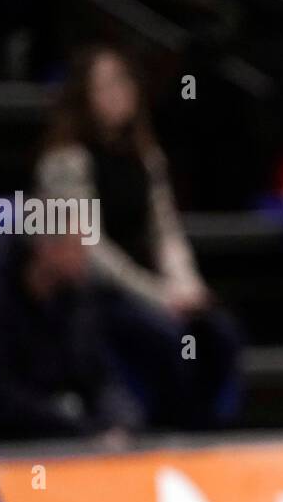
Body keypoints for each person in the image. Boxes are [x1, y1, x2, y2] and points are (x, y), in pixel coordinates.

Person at [36, 45, 242, 429]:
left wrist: (186, 286)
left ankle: (209, 434)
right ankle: (170, 434)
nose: (117, 93)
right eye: (104, 86)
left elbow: (166, 231)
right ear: (83, 97)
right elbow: (90, 249)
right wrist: (158, 295)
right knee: (167, 337)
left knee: (219, 331)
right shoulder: (64, 162)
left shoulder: (146, 156)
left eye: (122, 82)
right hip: (97, 294)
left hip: (151, 285)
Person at [0, 228, 143, 442]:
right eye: (76, 246)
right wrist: (81, 429)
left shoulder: (76, 302)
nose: (85, 256)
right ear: (45, 248)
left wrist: (120, 420)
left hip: (64, 438)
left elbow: (100, 377)